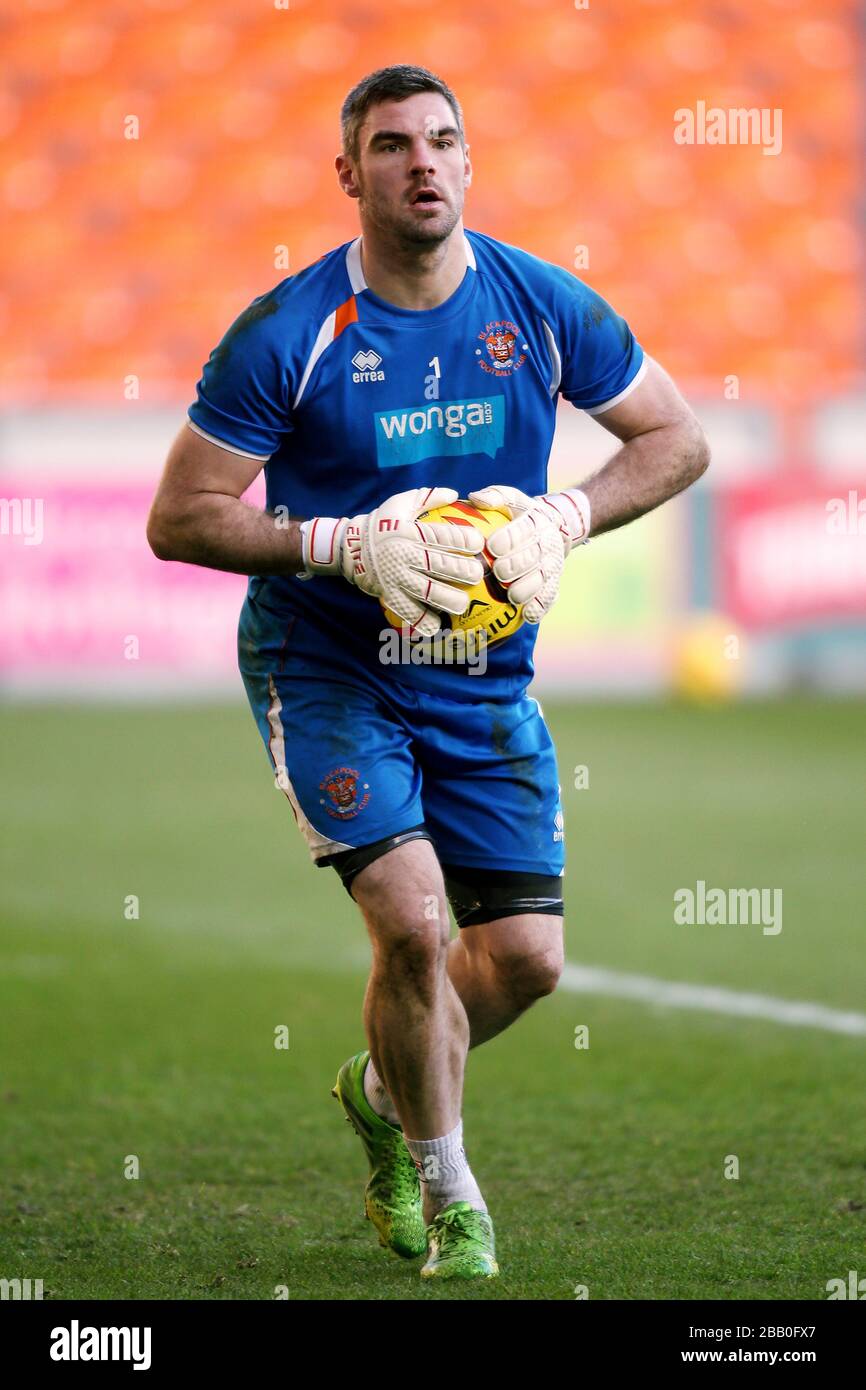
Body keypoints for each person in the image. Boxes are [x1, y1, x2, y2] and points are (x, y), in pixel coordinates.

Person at [147, 64, 710, 1281]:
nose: (422, 163)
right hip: (330, 660)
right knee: (408, 926)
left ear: (467, 161)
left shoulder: (539, 303)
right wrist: (335, 543)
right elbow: (179, 516)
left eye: (443, 142)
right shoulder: (288, 332)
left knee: (524, 964)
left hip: (480, 674)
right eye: (393, 145)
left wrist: (561, 517)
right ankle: (453, 1198)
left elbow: (676, 437)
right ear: (349, 175)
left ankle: (378, 1089)